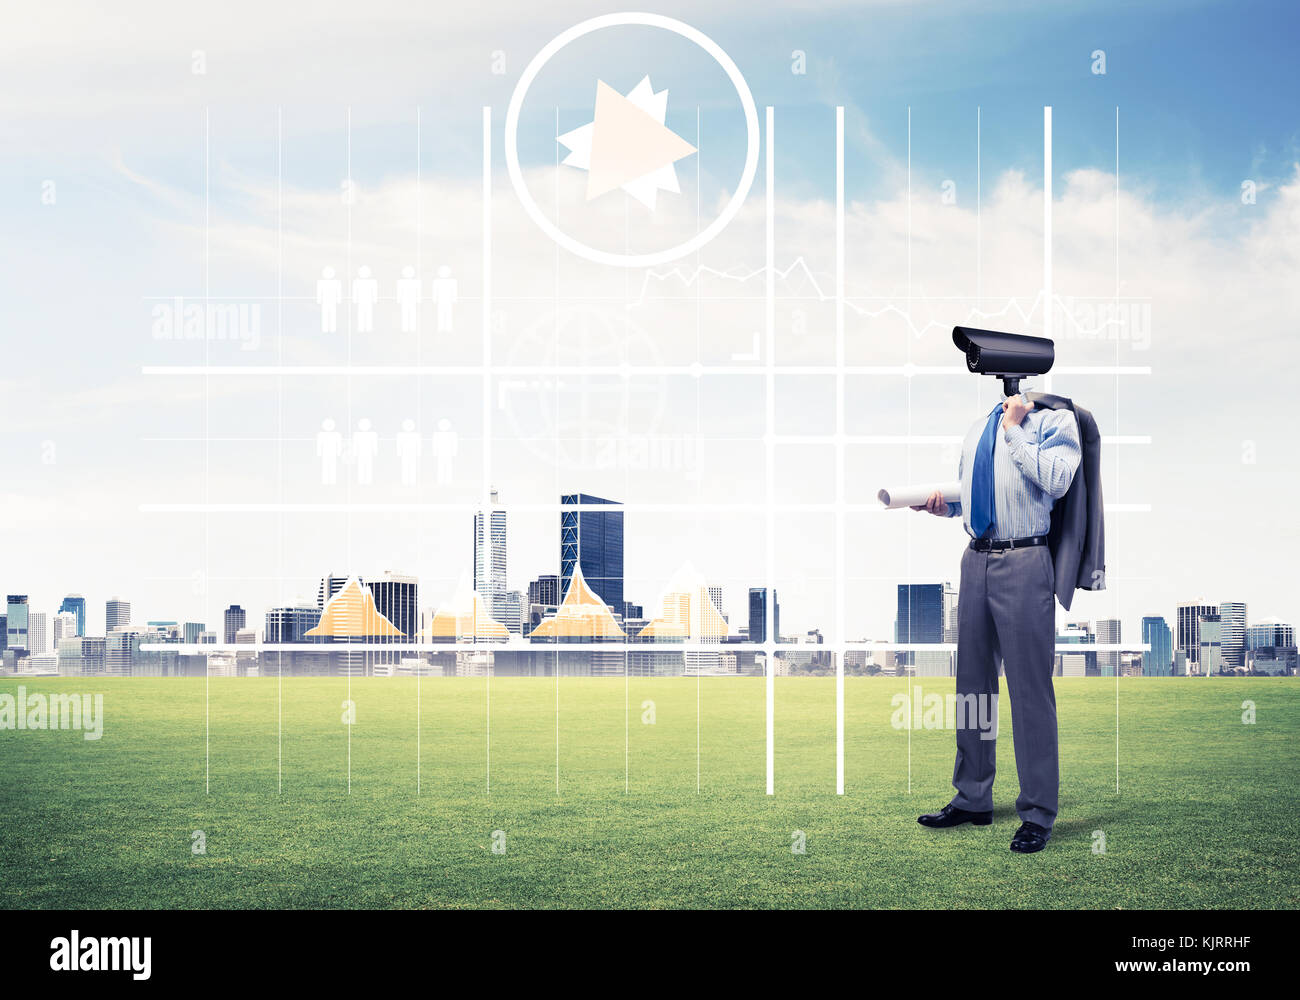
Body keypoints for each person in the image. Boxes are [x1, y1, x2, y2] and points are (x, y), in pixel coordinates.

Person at [911, 391, 1081, 854]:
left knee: (1029, 690)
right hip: (975, 560)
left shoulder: (1054, 421)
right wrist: (946, 507)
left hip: (1025, 557)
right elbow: (978, 496)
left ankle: (1038, 814)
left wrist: (1014, 428)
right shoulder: (976, 427)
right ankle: (972, 798)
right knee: (972, 687)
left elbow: (1058, 479)